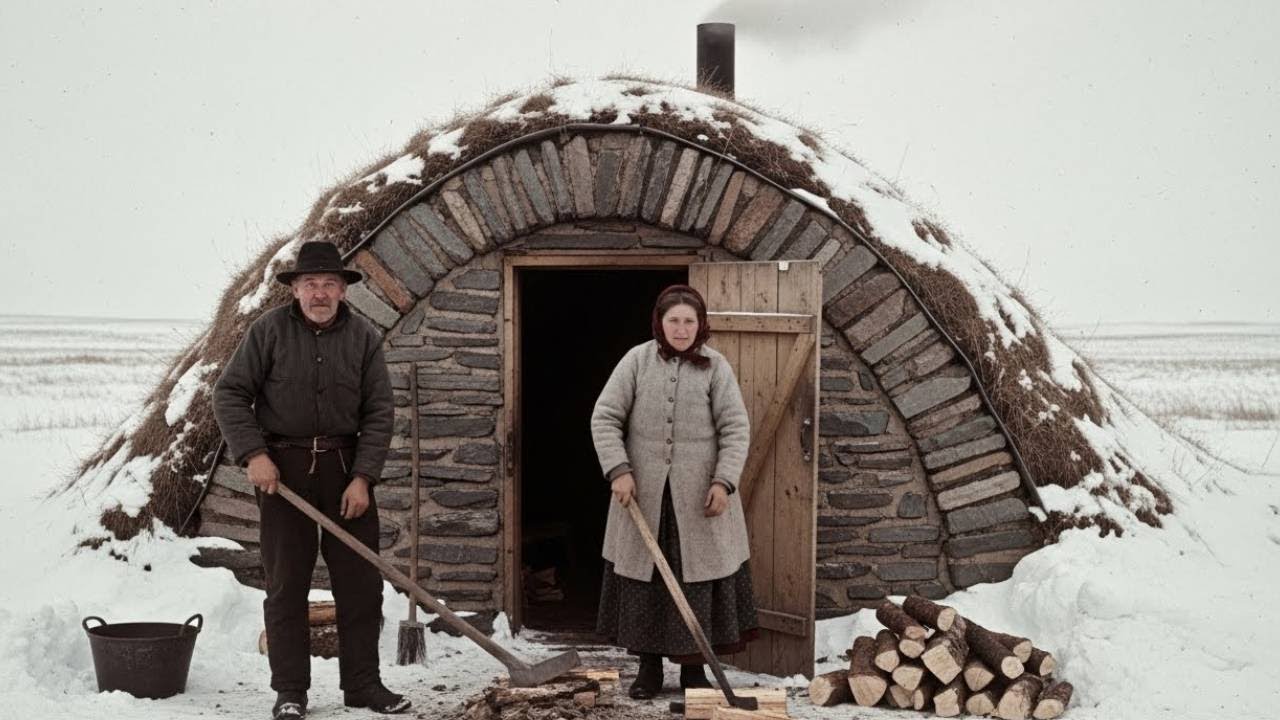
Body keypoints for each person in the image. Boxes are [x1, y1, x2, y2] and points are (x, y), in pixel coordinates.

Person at [213, 241, 410, 719]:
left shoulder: (363, 338)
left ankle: (363, 684)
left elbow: (379, 412)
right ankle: (290, 692)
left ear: (343, 291)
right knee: (286, 585)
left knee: (360, 585)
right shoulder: (269, 332)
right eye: (310, 284)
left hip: (346, 473)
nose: (319, 293)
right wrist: (254, 455)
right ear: (296, 289)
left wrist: (364, 477)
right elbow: (230, 393)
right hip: (284, 474)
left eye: (328, 284)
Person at [590, 284, 759, 699]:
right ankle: (648, 670)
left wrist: (723, 481)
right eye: (673, 321)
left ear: (700, 324)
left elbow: (735, 429)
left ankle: (693, 672)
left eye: (689, 321)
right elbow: (605, 416)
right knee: (645, 584)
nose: (681, 329)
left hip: (700, 500)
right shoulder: (636, 361)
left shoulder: (716, 367)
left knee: (693, 581)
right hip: (642, 496)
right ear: (659, 323)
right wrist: (618, 470)